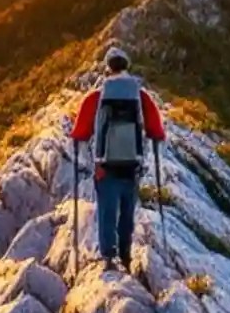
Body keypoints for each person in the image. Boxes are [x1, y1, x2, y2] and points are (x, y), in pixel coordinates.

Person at [70, 47, 166, 271]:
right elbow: (157, 131)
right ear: (127, 68)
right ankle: (126, 255)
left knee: (107, 211)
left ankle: (108, 258)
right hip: (132, 167)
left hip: (105, 168)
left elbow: (80, 132)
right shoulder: (141, 97)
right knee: (127, 213)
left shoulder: (97, 97)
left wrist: (84, 151)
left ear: (107, 69)